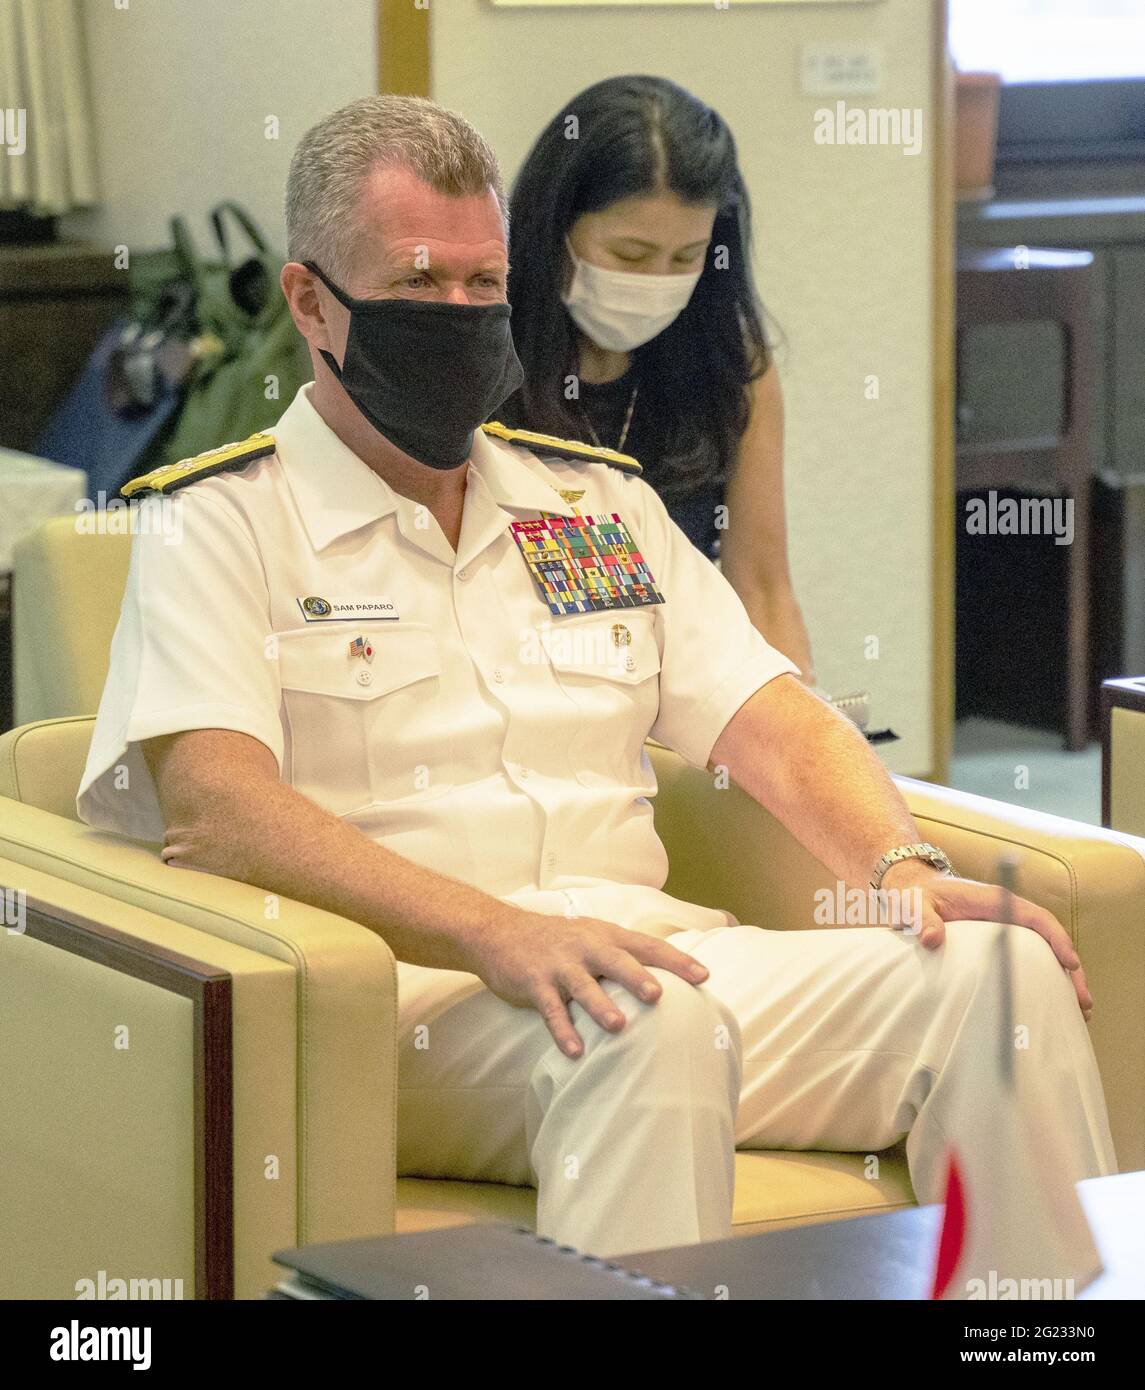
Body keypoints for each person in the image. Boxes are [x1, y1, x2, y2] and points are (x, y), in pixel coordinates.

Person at [78, 94, 1115, 1260]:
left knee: (998, 982)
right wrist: (494, 931)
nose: (461, 316)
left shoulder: (592, 502)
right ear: (310, 299)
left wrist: (897, 863)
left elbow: (770, 714)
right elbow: (217, 811)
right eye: (420, 287)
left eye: (482, 288)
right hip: (412, 1000)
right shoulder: (219, 523)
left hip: (653, 954)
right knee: (642, 1024)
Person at [502, 75, 815, 683]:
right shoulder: (481, 361)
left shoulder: (733, 369)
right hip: (511, 705)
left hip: (671, 706)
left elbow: (762, 586)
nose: (655, 281)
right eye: (630, 255)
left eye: (685, 259)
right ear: (556, 227)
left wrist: (804, 732)